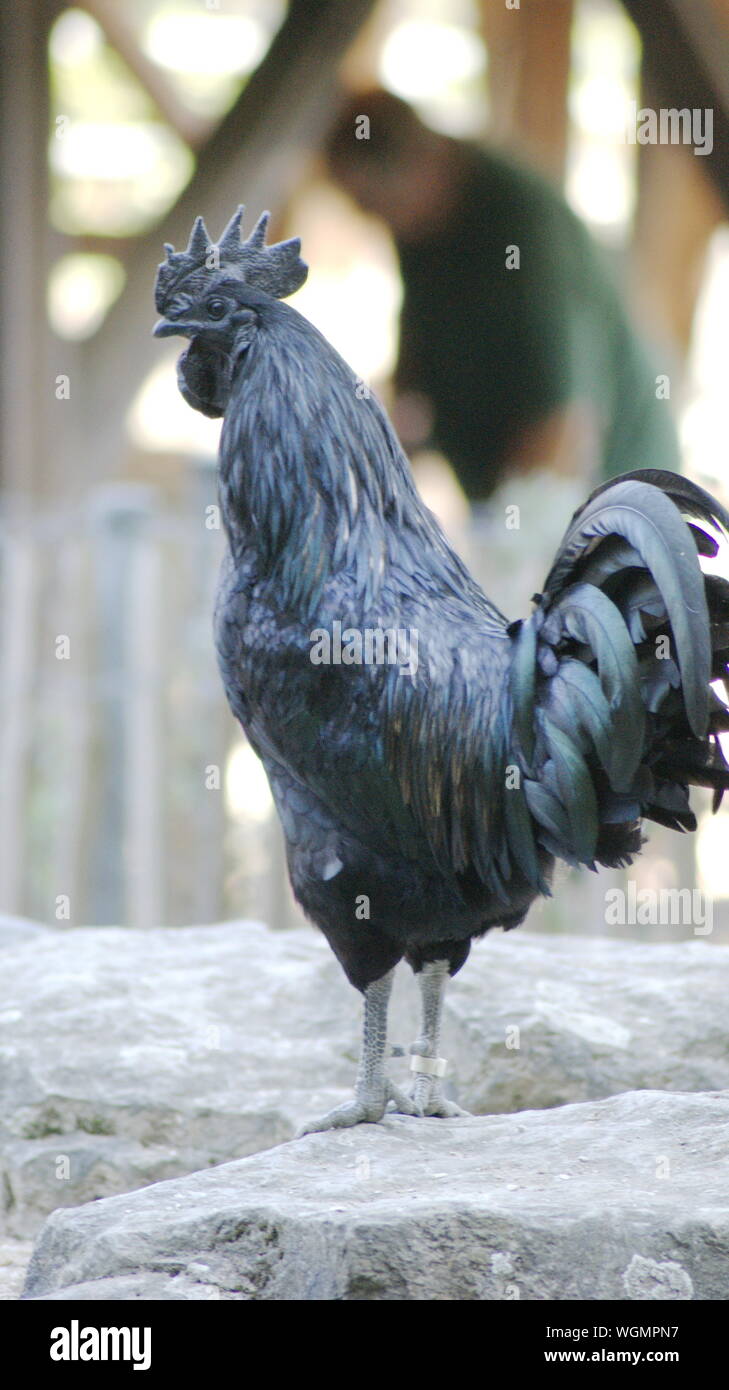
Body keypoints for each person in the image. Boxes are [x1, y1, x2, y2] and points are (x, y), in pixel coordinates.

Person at [324, 89, 681, 503]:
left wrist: (508, 540)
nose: (370, 219)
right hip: (512, 484)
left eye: (370, 203)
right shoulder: (417, 225)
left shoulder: (523, 230)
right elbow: (413, 391)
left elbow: (561, 431)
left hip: (615, 499)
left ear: (421, 166)